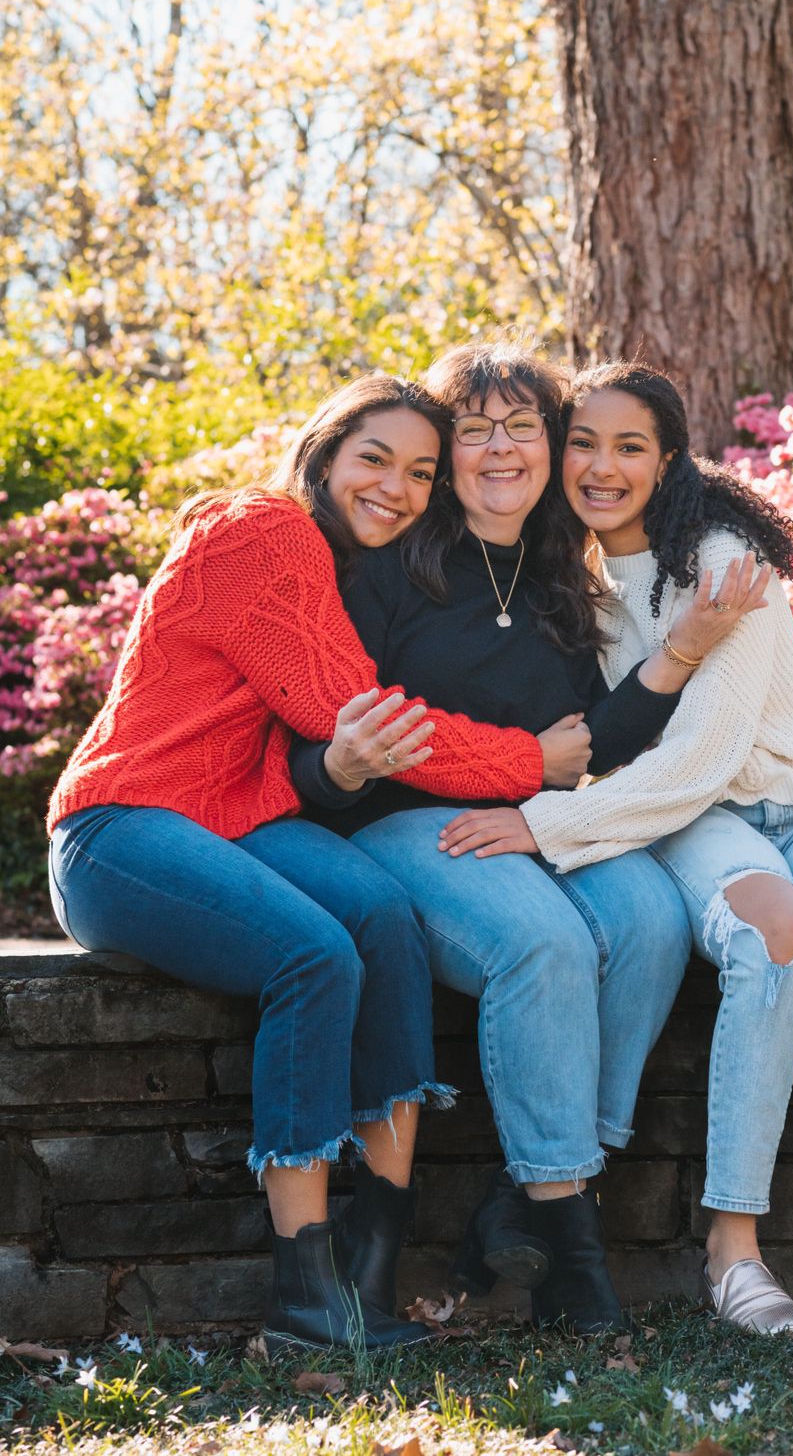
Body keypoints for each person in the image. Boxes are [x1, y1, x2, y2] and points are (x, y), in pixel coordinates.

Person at [440, 360, 793, 1337]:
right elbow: (628, 752)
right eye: (583, 442)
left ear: (667, 462)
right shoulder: (563, 578)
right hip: (693, 822)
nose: (601, 466)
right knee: (775, 933)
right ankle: (732, 1252)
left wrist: (543, 825)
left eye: (629, 448)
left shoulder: (722, 553)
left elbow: (703, 752)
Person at [46, 373, 595, 1354]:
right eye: (373, 458)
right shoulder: (266, 532)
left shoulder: (330, 565)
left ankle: (372, 1262)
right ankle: (306, 1292)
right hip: (122, 828)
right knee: (314, 954)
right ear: (324, 455)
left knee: (381, 917)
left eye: (422, 472)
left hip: (235, 820)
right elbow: (365, 721)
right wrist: (531, 763)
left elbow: (337, 746)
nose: (397, 486)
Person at [291, 341, 767, 1332]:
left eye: (523, 426)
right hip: (396, 827)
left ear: (550, 450)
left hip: (528, 821)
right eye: (474, 428)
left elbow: (596, 741)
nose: (500, 447)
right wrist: (520, 768)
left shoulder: (561, 576)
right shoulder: (387, 570)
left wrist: (680, 653)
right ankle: (571, 1255)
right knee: (542, 944)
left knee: (644, 916)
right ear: (447, 449)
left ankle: (533, 1201)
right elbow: (345, 742)